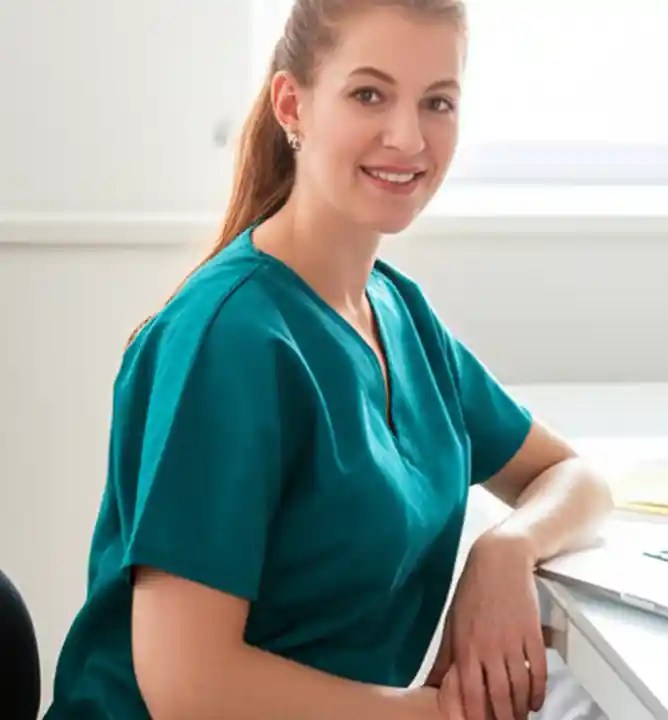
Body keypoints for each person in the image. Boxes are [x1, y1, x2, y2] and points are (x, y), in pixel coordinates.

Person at [44, 1, 613, 718]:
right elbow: (188, 686)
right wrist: (436, 715)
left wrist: (503, 552)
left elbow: (577, 477)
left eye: (437, 102)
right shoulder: (230, 341)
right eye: (369, 94)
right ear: (294, 104)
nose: (407, 137)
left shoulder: (398, 313)